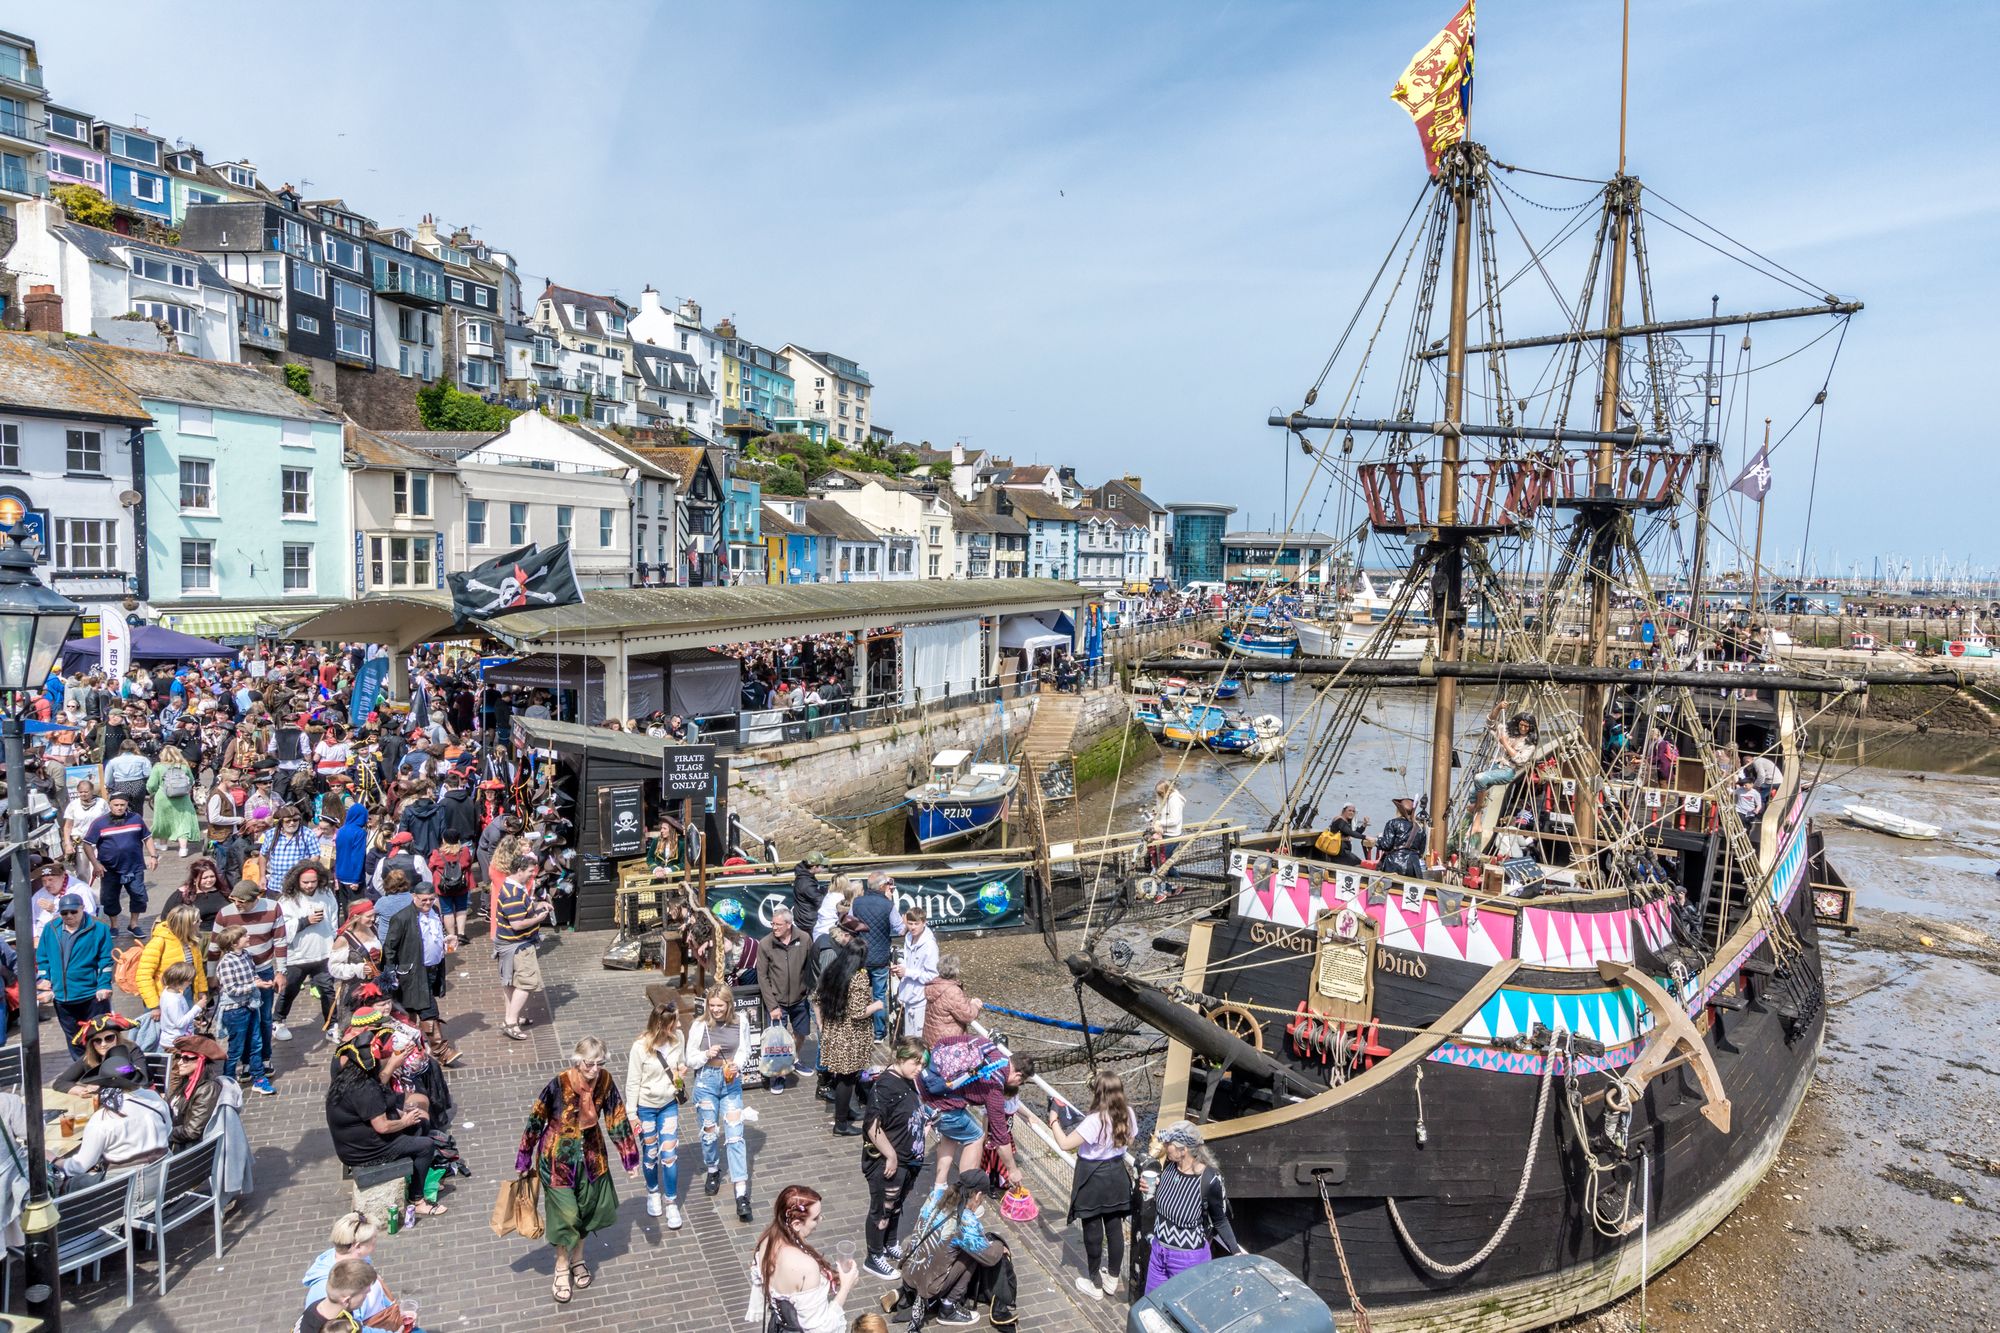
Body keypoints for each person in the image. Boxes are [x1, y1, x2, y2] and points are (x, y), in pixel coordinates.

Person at [514, 1036, 640, 1305]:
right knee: (566, 1216)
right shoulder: (559, 1083)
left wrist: (630, 1158)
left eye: (599, 1063)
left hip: (592, 1159)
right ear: (577, 1060)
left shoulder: (605, 1081)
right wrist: (524, 1158)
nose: (594, 1069)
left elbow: (617, 1117)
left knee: (585, 1210)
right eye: (589, 1063)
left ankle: (578, 1260)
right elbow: (536, 1119)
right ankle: (561, 1267)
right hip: (557, 1159)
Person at [325, 1028, 444, 1219]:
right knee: (425, 1145)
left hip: (358, 1140)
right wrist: (404, 1121)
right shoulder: (365, 1088)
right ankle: (418, 1199)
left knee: (420, 1125)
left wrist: (403, 1118)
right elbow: (382, 1126)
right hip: (364, 1151)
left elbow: (378, 1100)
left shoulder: (350, 1076)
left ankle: (418, 1177)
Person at [1046, 1072, 1138, 1300]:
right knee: (1115, 1227)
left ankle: (1095, 1283)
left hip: (1093, 1177)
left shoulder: (1095, 1120)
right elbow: (1131, 1140)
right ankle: (1112, 1279)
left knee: (1093, 1229)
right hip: (1117, 1175)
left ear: (1099, 1092)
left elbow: (1065, 1144)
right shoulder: (1129, 1113)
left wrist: (1053, 1120)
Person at [1143, 1121, 1242, 1294]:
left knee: (1180, 1311)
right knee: (1152, 1305)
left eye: (1169, 1144)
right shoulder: (1169, 1167)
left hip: (1187, 1260)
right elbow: (1169, 1198)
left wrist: (1236, 1252)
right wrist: (1152, 1189)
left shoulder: (1209, 1180)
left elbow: (1220, 1219)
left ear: (1183, 1150)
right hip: (1159, 1251)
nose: (1165, 1147)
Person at [686, 982, 755, 1220]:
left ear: (729, 1005)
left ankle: (741, 1192)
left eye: (719, 1006)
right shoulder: (699, 1025)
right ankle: (713, 1168)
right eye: (712, 1005)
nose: (715, 1010)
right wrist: (706, 1054)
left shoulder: (741, 1021)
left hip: (730, 1081)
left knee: (735, 1135)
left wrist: (739, 1063)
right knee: (710, 1132)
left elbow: (745, 1049)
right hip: (706, 1081)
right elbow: (690, 1058)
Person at [750, 1184, 857, 1333]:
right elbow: (820, 1329)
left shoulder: (766, 1241)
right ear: (796, 1224)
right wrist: (845, 1287)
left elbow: (761, 1286)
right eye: (815, 1218)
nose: (820, 1219)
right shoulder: (807, 1267)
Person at [861, 1041, 927, 1279]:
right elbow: (872, 1125)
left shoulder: (909, 1080)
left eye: (922, 1064)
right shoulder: (885, 1086)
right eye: (915, 1062)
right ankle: (874, 1255)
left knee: (897, 1204)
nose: (919, 1068)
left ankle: (890, 1244)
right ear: (900, 1058)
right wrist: (890, 1155)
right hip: (889, 1163)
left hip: (910, 1160)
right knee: (883, 1208)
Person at [626, 986, 688, 1229]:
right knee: (651, 1154)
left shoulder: (678, 1039)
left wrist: (681, 1073)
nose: (679, 1028)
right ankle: (653, 1192)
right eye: (674, 1024)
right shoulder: (640, 1047)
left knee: (670, 1155)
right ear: (663, 1026)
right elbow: (632, 1082)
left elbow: (680, 1064)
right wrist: (632, 1114)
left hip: (669, 1104)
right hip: (647, 1107)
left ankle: (671, 1202)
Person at [58, 1058, 175, 1183]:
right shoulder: (153, 1097)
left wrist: (55, 1160)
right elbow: (168, 1130)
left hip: (127, 1189)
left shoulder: (102, 1119)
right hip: (164, 1179)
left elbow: (79, 1167)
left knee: (73, 1183)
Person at [816, 927, 882, 1139]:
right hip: (851, 1035)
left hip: (834, 1030)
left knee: (841, 1075)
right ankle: (841, 1124)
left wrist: (821, 1025)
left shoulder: (834, 969)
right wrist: (878, 1005)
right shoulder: (859, 978)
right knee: (847, 1078)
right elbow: (858, 1012)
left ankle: (845, 1111)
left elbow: (817, 999)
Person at [35, 893, 115, 1049]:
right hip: (63, 999)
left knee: (100, 1039)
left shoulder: (99, 928)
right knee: (75, 1041)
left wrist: (104, 984)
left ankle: (101, 1071)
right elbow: (43, 957)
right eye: (64, 913)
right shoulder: (51, 929)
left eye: (73, 911)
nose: (69, 916)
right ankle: (83, 1071)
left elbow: (106, 959)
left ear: (82, 909)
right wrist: (45, 979)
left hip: (92, 996)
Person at [215, 877, 288, 1046]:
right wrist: (212, 975)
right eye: (234, 900)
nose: (237, 904)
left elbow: (280, 941)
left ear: (256, 898)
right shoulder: (225, 913)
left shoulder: (272, 908)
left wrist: (281, 971)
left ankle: (264, 1057)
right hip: (237, 973)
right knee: (243, 1020)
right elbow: (214, 946)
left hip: (263, 970)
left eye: (242, 901)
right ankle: (247, 1059)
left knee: (265, 1016)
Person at [278, 861, 341, 1042]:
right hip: (298, 954)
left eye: (313, 881)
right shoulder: (288, 900)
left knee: (327, 989)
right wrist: (306, 921)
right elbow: (283, 927)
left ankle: (332, 1024)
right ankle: (278, 1020)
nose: (309, 885)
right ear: (297, 881)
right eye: (305, 882)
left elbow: (333, 916)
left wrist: (334, 937)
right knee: (289, 989)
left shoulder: (326, 894)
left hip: (323, 950)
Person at [300, 1213, 398, 1327]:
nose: (375, 1245)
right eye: (373, 1242)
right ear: (357, 1246)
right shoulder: (326, 1287)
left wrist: (393, 1310)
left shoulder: (360, 1258)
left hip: (386, 1319)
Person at [756, 904, 814, 1095]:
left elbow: (810, 966)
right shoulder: (765, 943)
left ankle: (793, 1060)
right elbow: (762, 977)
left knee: (801, 1033)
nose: (774, 928)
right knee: (777, 1041)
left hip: (799, 998)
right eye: (773, 924)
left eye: (778, 925)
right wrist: (772, 1005)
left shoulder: (804, 939)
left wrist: (808, 989)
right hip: (777, 1000)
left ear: (789, 924)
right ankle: (778, 1074)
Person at [83, 790, 157, 938]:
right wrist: (96, 864)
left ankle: (134, 924)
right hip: (109, 869)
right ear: (110, 805)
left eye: (122, 805)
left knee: (139, 896)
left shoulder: (136, 819)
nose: (119, 808)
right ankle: (114, 925)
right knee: (110, 898)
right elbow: (87, 844)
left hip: (134, 867)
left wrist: (153, 856)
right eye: (116, 805)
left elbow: (147, 838)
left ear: (127, 805)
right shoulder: (99, 823)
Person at [494, 854, 550, 1042]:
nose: (532, 876)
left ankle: (512, 1016)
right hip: (517, 946)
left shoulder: (513, 888)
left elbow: (521, 909)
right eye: (529, 872)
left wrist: (536, 905)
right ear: (519, 871)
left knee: (511, 983)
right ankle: (511, 1022)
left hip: (508, 944)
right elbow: (517, 924)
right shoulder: (513, 893)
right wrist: (539, 918)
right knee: (526, 983)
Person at [215, 925, 277, 1095]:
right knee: (236, 1048)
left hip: (250, 1006)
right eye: (244, 936)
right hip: (234, 1011)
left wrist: (260, 982)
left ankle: (258, 1078)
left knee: (256, 1044)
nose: (248, 937)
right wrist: (253, 985)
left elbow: (253, 974)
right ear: (234, 943)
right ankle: (228, 1080)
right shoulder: (226, 963)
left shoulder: (246, 955)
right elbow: (231, 989)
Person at [851, 871, 901, 1041]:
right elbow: (899, 928)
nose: (889, 886)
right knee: (879, 996)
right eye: (888, 884)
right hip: (879, 957)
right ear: (882, 886)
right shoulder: (888, 905)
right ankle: (879, 1033)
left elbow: (849, 925)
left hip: (861, 957)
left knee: (860, 993)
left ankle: (860, 1029)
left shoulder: (856, 903)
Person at [147, 743, 204, 857]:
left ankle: (163, 845)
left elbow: (151, 785)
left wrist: (153, 791)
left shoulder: (158, 767)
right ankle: (183, 849)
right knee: (182, 821)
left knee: (163, 821)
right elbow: (192, 781)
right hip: (182, 797)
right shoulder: (184, 766)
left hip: (163, 797)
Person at [890, 906, 938, 1040]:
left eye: (916, 924)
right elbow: (908, 962)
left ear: (924, 923)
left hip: (921, 998)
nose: (912, 927)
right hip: (908, 995)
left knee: (919, 1040)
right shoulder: (908, 938)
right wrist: (900, 968)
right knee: (909, 1039)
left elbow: (933, 976)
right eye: (910, 923)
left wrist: (908, 972)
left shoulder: (930, 945)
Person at [294, 1255, 375, 1333]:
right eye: (365, 1293)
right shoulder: (331, 1330)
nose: (368, 1293)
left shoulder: (320, 1305)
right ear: (347, 1300)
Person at [920, 955, 982, 1049]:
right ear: (956, 970)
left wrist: (968, 1001)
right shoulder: (951, 990)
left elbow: (950, 1004)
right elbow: (967, 1015)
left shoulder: (934, 985)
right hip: (947, 1042)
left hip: (931, 1036)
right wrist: (975, 1006)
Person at [28, 859, 97, 939]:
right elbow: (30, 917)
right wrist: (34, 936)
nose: (47, 884)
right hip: (42, 937)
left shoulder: (80, 890)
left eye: (51, 880)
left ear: (63, 877)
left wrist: (55, 910)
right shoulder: (40, 894)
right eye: (44, 881)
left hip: (70, 938)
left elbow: (88, 918)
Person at [1474, 708, 1538, 790]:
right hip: (1496, 765)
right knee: (1473, 791)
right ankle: (1477, 801)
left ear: (1531, 728)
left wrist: (1505, 743)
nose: (1522, 728)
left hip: (1508, 770)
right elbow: (1490, 723)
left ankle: (1479, 803)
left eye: (1526, 726)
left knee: (1480, 778)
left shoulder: (1530, 745)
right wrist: (1498, 707)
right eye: (1521, 725)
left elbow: (1520, 760)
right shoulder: (1509, 733)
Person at [428, 835, 474, 945]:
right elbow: (469, 863)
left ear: (444, 840)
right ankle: (461, 934)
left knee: (447, 911)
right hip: (461, 885)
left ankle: (452, 936)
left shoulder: (437, 853)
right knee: (461, 908)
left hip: (443, 887)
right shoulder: (465, 851)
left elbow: (430, 867)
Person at [1375, 796, 1428, 878]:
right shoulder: (1420, 828)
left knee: (1390, 888)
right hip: (1413, 866)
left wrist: (1377, 840)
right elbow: (1421, 852)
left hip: (1394, 863)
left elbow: (1387, 845)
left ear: (1399, 810)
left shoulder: (1393, 823)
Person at [332, 802, 370, 909]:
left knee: (345, 907)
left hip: (340, 874)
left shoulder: (342, 830)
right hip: (353, 876)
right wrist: (356, 879)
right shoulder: (360, 832)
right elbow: (358, 857)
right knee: (356, 909)